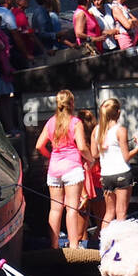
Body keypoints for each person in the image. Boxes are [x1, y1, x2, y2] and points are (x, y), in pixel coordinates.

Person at [36, 88, 88, 249]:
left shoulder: (51, 122)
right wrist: (91, 159)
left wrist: (50, 156)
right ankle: (73, 245)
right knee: (71, 208)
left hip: (54, 169)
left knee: (55, 209)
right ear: (72, 104)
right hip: (72, 168)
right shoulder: (75, 123)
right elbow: (81, 147)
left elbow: (39, 146)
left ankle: (54, 245)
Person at [92, 96, 138, 227]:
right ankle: (120, 244)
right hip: (122, 173)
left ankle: (105, 243)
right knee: (121, 213)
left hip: (106, 175)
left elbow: (94, 154)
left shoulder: (96, 130)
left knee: (109, 213)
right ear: (118, 112)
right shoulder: (120, 130)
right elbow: (126, 156)